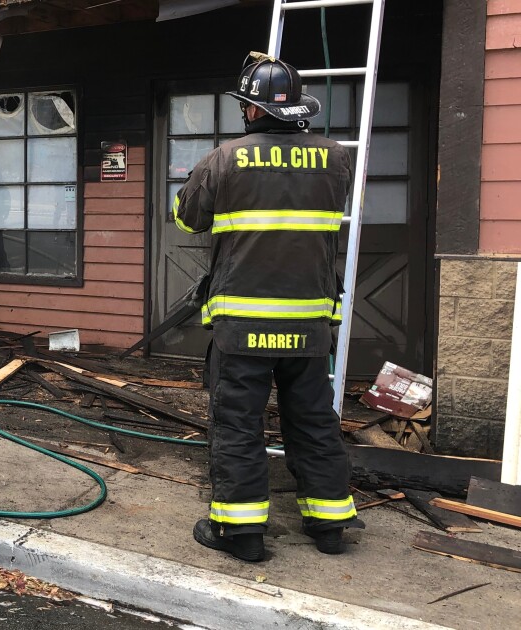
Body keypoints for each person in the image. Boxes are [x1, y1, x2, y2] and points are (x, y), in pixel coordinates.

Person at [172, 53, 362, 562]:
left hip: (243, 325)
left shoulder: (224, 159)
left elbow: (187, 220)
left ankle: (242, 534)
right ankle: (329, 528)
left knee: (238, 424)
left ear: (252, 110)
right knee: (313, 420)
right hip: (309, 324)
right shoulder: (338, 159)